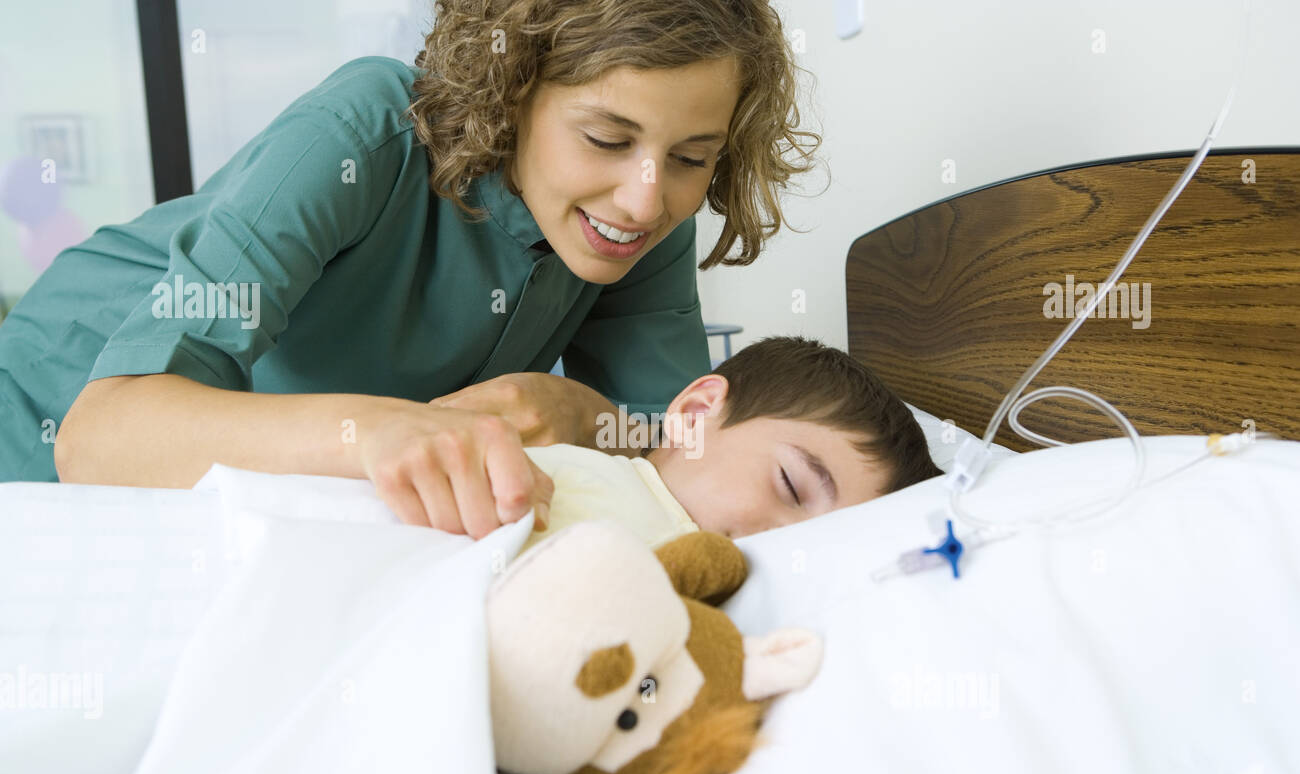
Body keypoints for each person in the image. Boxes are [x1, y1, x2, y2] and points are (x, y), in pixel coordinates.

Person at [0, 0, 821, 541]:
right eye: (606, 138)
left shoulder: (640, 221)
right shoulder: (365, 134)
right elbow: (101, 438)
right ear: (511, 92)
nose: (646, 199)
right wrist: (379, 429)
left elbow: (670, 453)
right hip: (53, 403)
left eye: (690, 156)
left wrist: (583, 411)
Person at [515, 336, 943, 555]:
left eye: (821, 538)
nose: (790, 543)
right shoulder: (560, 476)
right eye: (791, 488)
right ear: (696, 414)